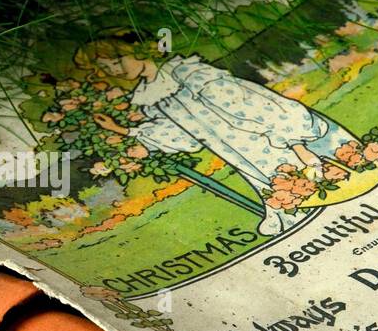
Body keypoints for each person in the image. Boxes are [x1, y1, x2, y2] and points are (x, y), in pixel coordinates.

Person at [77, 31, 356, 236]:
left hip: (261, 135)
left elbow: (248, 102)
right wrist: (121, 130)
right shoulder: (150, 95)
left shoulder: (186, 73)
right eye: (106, 68)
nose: (114, 70)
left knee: (317, 177)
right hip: (235, 150)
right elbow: (181, 135)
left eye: (116, 60)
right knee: (284, 187)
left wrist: (296, 143)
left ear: (136, 49)